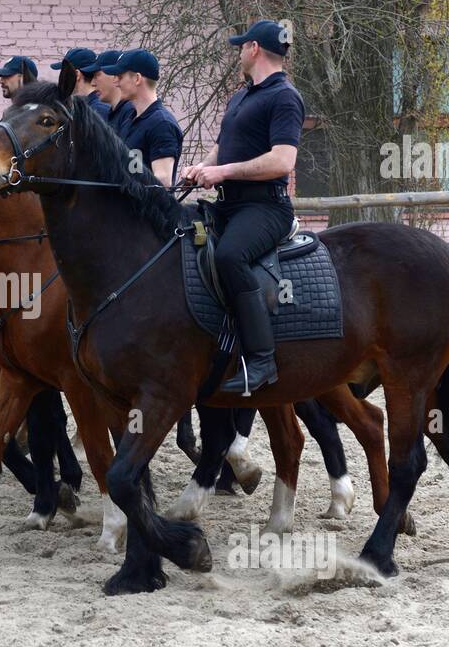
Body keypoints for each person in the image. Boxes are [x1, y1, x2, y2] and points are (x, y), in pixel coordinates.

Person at [178, 19, 302, 396]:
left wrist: (223, 171)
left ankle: (262, 360)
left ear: (253, 49)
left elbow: (283, 161)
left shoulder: (285, 97)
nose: (238, 54)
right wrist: (202, 167)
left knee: (230, 255)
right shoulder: (241, 96)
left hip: (266, 209)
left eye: (240, 47)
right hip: (228, 204)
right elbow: (224, 147)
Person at [101, 48, 183, 188]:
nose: (115, 82)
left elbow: (162, 182)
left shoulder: (161, 124)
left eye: (120, 76)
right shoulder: (129, 120)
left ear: (137, 78)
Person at [51, 47, 110, 119]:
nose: (62, 79)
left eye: (64, 73)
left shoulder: (97, 110)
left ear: (76, 74)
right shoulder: (86, 107)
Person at [90, 49, 129, 129]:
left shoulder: (130, 115)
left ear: (114, 75)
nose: (92, 83)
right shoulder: (114, 115)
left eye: (97, 75)